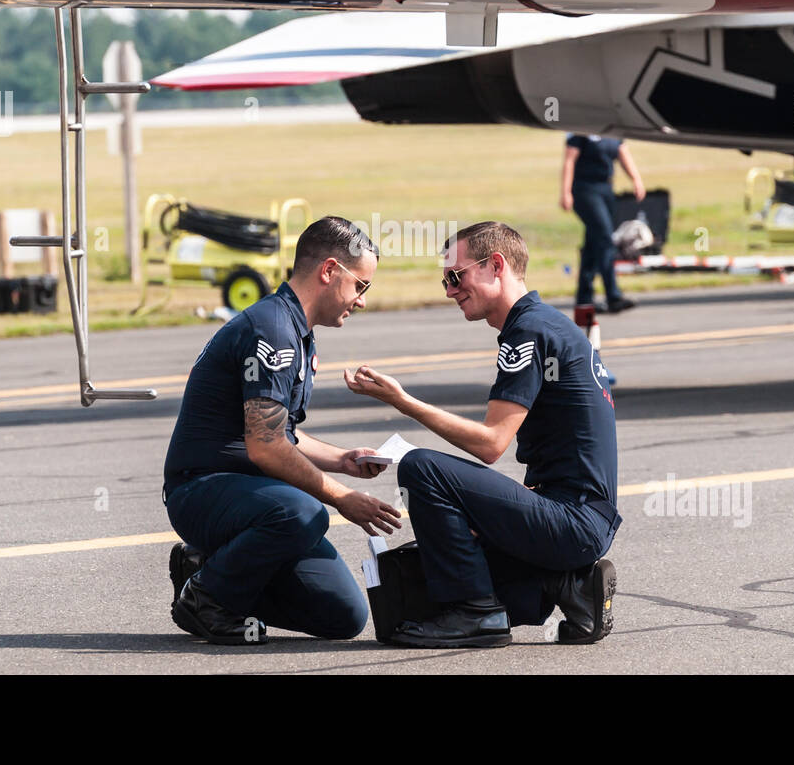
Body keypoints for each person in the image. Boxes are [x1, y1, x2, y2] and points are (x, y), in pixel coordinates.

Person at [344, 222, 621, 648]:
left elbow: (491, 444)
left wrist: (402, 401)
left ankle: (476, 615)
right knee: (426, 582)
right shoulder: (549, 325)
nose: (451, 291)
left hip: (573, 520)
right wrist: (481, 518)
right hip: (580, 516)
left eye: (456, 277)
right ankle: (570, 586)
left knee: (422, 468)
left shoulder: (528, 332)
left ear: (496, 266)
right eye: (445, 282)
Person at [162, 216, 402, 645]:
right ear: (329, 271)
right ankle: (206, 597)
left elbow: (281, 433)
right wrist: (343, 497)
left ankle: (206, 568)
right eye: (360, 286)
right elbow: (266, 446)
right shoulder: (273, 330)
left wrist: (342, 460)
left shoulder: (297, 331)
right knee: (305, 512)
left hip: (254, 497)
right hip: (202, 490)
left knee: (342, 616)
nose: (361, 301)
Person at [561, 133, 645, 313]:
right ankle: (613, 296)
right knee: (606, 240)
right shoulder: (580, 131)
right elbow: (570, 161)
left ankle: (584, 299)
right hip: (585, 190)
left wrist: (636, 179)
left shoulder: (611, 128)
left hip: (606, 190)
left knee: (593, 244)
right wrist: (566, 192)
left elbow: (623, 152)